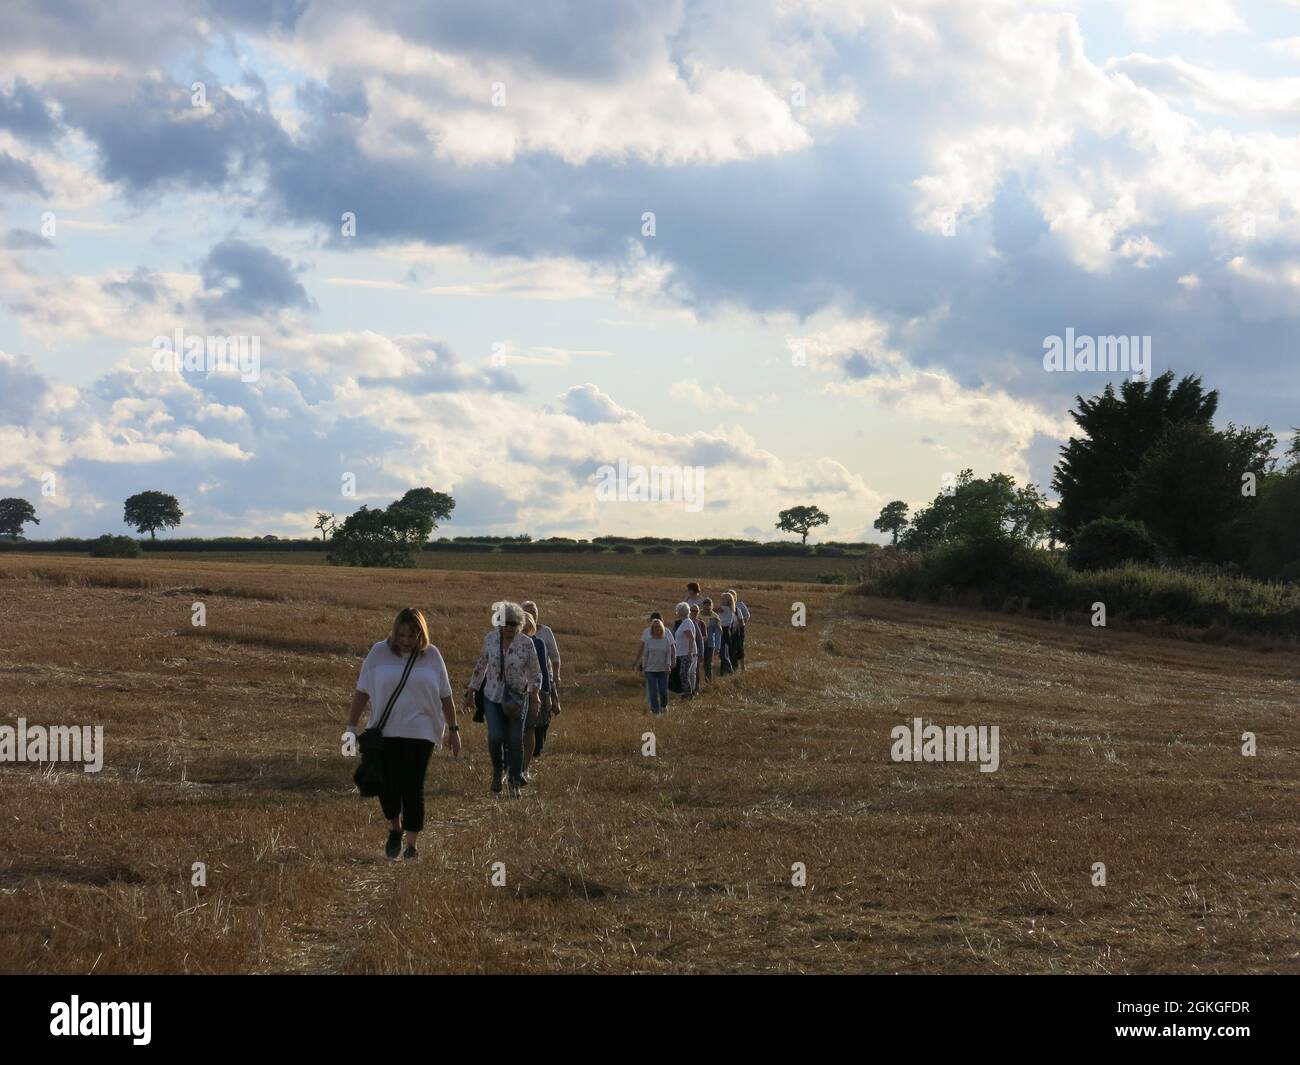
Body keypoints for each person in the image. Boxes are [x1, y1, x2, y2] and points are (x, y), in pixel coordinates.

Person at [346, 608, 460, 861]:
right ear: (394, 632)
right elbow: (362, 691)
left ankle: (412, 843)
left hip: (422, 731)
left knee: (413, 785)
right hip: (385, 732)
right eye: (402, 635)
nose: (406, 641)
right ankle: (394, 829)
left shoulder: (432, 656)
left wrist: (453, 730)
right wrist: (350, 727)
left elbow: (445, 695)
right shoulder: (378, 653)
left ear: (421, 635)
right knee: (388, 785)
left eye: (412, 636)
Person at [465, 601, 542, 797]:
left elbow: (535, 672)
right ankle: (498, 770)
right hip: (492, 696)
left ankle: (514, 781)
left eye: (513, 623)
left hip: (517, 697)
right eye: (504, 622)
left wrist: (535, 696)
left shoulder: (526, 643)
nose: (508, 627)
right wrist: (472, 691)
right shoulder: (490, 639)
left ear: (521, 624)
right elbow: (481, 665)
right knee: (495, 736)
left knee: (516, 739)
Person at [521, 612, 549, 778]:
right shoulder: (509, 642)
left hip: (533, 693)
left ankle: (524, 768)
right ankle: (515, 767)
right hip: (515, 694)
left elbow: (543, 669)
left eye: (526, 625)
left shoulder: (538, 643)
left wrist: (546, 693)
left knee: (530, 729)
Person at [634, 617, 675, 714]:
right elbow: (646, 654)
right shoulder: (649, 640)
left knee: (663, 691)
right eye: (655, 627)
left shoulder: (666, 640)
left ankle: (664, 706)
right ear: (652, 629)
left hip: (663, 670)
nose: (657, 629)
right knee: (653, 692)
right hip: (650, 670)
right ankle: (655, 711)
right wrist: (644, 667)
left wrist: (668, 665)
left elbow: (668, 653)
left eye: (658, 627)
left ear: (662, 628)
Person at [670, 602, 697, 698]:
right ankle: (686, 692)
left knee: (684, 673)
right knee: (683, 673)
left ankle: (688, 693)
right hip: (681, 653)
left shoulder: (686, 623)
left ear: (681, 612)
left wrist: (690, 652)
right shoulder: (685, 622)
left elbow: (691, 638)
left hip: (686, 653)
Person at [699, 597, 722, 684]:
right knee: (697, 664)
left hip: (710, 644)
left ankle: (708, 683)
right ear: (702, 607)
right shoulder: (697, 616)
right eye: (705, 608)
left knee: (707, 664)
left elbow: (718, 633)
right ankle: (697, 683)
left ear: (711, 607)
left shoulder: (715, 617)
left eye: (708, 608)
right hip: (698, 643)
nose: (706, 610)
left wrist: (717, 647)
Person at [716, 592, 738, 676]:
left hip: (723, 631)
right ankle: (724, 672)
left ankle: (730, 670)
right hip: (727, 631)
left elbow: (714, 609)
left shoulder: (725, 608)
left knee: (722, 654)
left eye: (724, 598)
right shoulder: (731, 609)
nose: (722, 600)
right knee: (724, 653)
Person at [688, 603, 706, 693]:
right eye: (692, 610)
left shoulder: (701, 623)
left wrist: (701, 652)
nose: (694, 612)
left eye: (696, 611)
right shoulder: (685, 622)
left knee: (695, 670)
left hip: (696, 650)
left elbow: (704, 637)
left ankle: (695, 689)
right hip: (685, 650)